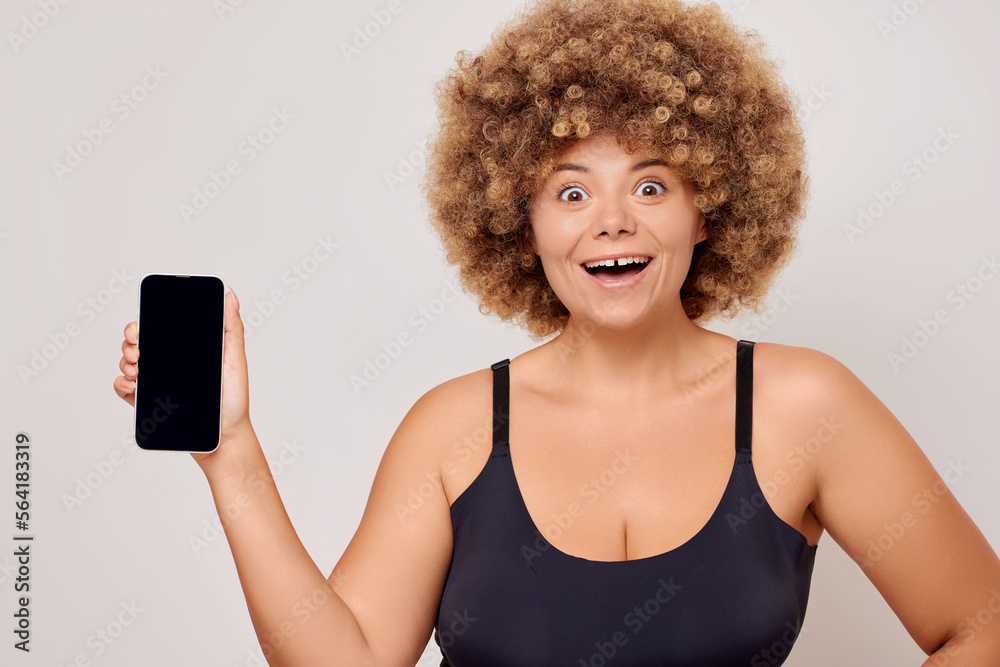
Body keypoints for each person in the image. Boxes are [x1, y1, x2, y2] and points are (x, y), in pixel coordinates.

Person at [114, 0, 1000, 664]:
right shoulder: (452, 428)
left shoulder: (806, 404)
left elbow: (982, 622)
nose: (611, 222)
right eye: (570, 192)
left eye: (651, 185)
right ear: (518, 222)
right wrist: (230, 454)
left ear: (710, 208)